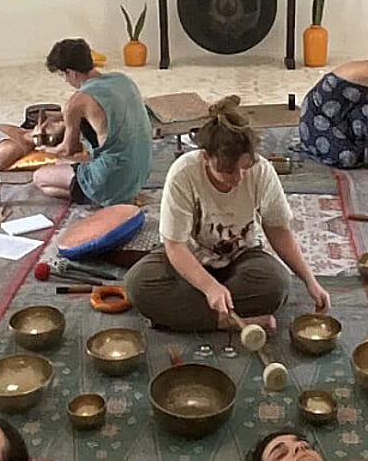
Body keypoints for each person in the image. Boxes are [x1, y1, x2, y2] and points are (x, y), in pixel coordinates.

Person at [125, 96, 330, 332]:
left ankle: (193, 315)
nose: (239, 178)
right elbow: (175, 246)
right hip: (190, 258)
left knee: (277, 285)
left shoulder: (261, 170)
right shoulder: (183, 173)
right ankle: (228, 321)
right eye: (228, 172)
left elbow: (279, 231)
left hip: (240, 259)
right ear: (205, 157)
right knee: (138, 285)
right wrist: (209, 286)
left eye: (245, 168)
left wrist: (310, 281)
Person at [31, 38, 152, 206]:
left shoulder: (76, 102)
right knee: (63, 164)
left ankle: (106, 198)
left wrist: (45, 149)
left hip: (112, 178)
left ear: (70, 72)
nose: (65, 81)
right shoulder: (123, 80)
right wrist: (60, 117)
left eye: (62, 75)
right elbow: (105, 111)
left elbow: (68, 150)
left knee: (40, 178)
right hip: (140, 172)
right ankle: (119, 193)